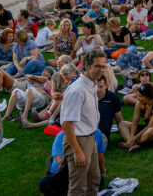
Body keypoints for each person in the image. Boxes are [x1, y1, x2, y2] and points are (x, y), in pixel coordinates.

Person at [61, 48, 106, 196]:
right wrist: (77, 151)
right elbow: (66, 124)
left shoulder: (92, 84)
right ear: (86, 66)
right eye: (97, 66)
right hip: (78, 140)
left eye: (103, 66)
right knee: (78, 187)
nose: (101, 70)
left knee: (94, 181)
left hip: (89, 137)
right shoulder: (78, 90)